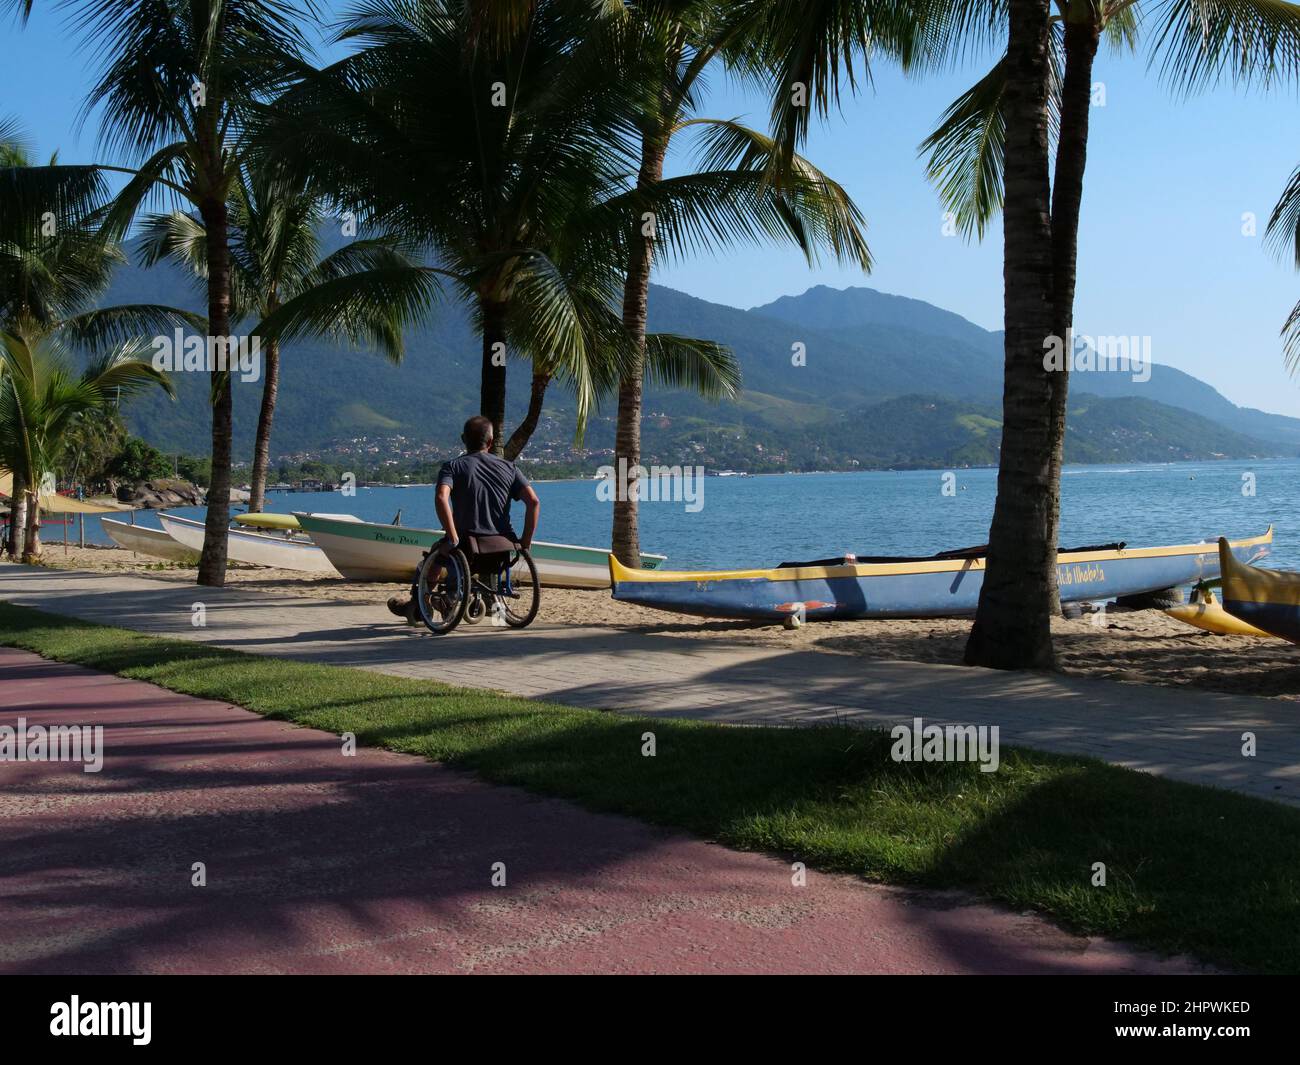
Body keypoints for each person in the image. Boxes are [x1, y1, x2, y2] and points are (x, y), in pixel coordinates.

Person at [388, 415, 540, 622]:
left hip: (467, 546)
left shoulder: (453, 467)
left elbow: (442, 497)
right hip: (502, 547)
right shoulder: (510, 468)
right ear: (490, 442)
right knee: (451, 554)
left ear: (463, 439)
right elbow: (533, 502)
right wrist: (525, 542)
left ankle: (418, 603)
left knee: (433, 557)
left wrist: (452, 537)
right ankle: (447, 599)